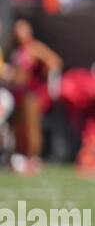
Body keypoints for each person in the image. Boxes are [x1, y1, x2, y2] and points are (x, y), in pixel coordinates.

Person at [8, 19, 61, 175]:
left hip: (32, 93)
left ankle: (34, 159)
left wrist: (46, 75)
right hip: (18, 94)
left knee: (33, 128)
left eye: (23, 29)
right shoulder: (17, 50)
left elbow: (54, 61)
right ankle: (21, 158)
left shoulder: (34, 47)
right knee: (19, 129)